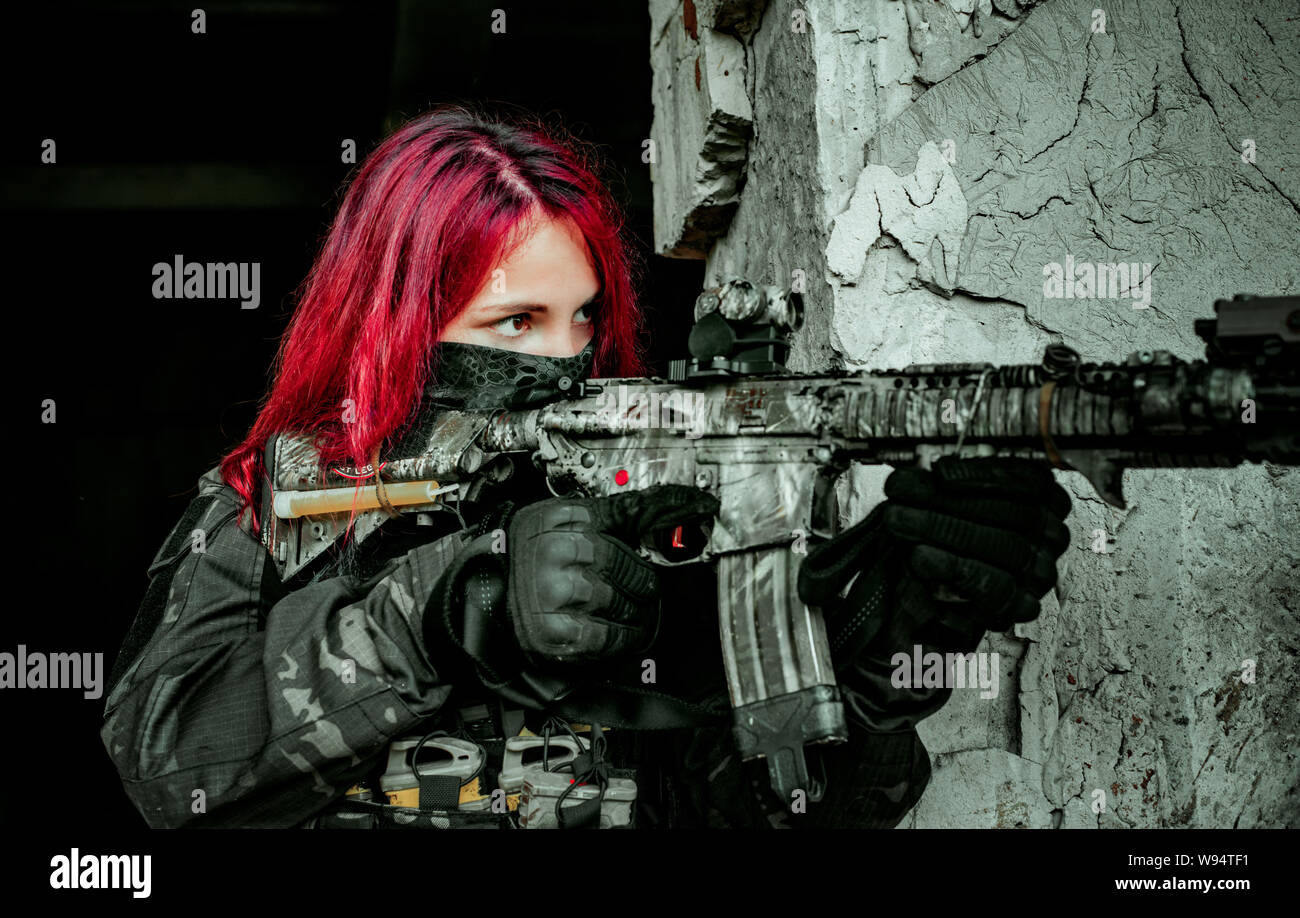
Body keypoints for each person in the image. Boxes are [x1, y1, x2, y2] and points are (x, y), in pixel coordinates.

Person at [101, 104, 1072, 829]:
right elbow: (164, 769)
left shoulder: (629, 517)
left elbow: (751, 813)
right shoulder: (278, 498)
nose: (562, 356)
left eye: (583, 318)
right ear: (403, 325)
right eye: (515, 322)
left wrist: (881, 650)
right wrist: (439, 615)